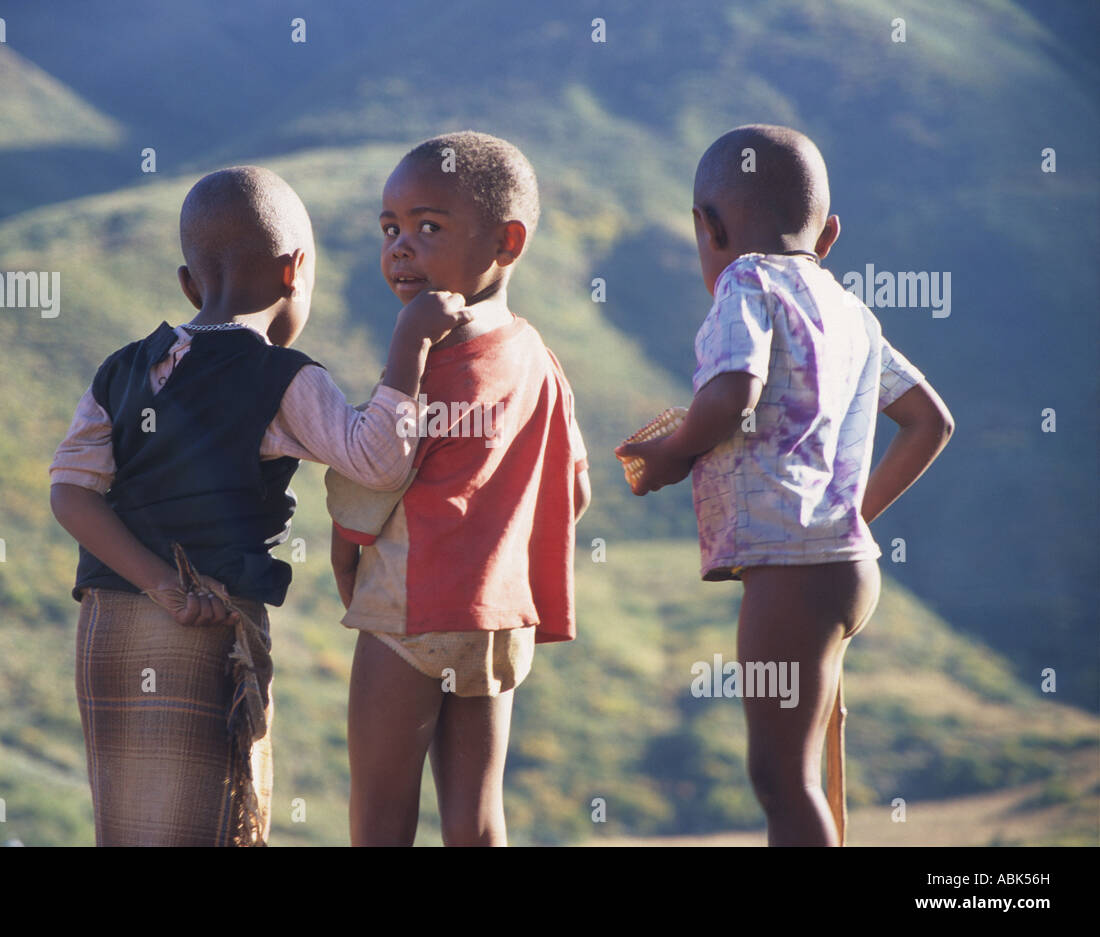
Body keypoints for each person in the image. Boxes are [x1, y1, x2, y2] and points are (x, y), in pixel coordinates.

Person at [49, 166, 469, 846]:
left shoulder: (121, 368)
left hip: (107, 629)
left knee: (131, 825)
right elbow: (377, 458)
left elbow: (71, 492)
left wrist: (156, 584)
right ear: (295, 271)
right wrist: (409, 345)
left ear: (189, 283)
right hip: (206, 624)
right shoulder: (279, 374)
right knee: (213, 817)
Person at [617, 125, 954, 846]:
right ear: (828, 234)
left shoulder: (747, 281)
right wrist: (848, 518)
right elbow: (930, 421)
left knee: (782, 779)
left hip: (793, 571)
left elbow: (735, 390)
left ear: (706, 227)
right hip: (843, 568)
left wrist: (674, 453)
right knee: (803, 774)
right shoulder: (851, 309)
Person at [328, 132, 591, 846]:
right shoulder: (541, 359)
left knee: (380, 817)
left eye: (428, 226)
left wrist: (345, 551)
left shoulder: (431, 353)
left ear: (508, 240)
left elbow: (375, 468)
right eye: (390, 229)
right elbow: (574, 488)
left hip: (410, 609)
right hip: (500, 623)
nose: (400, 246)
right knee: (477, 819)